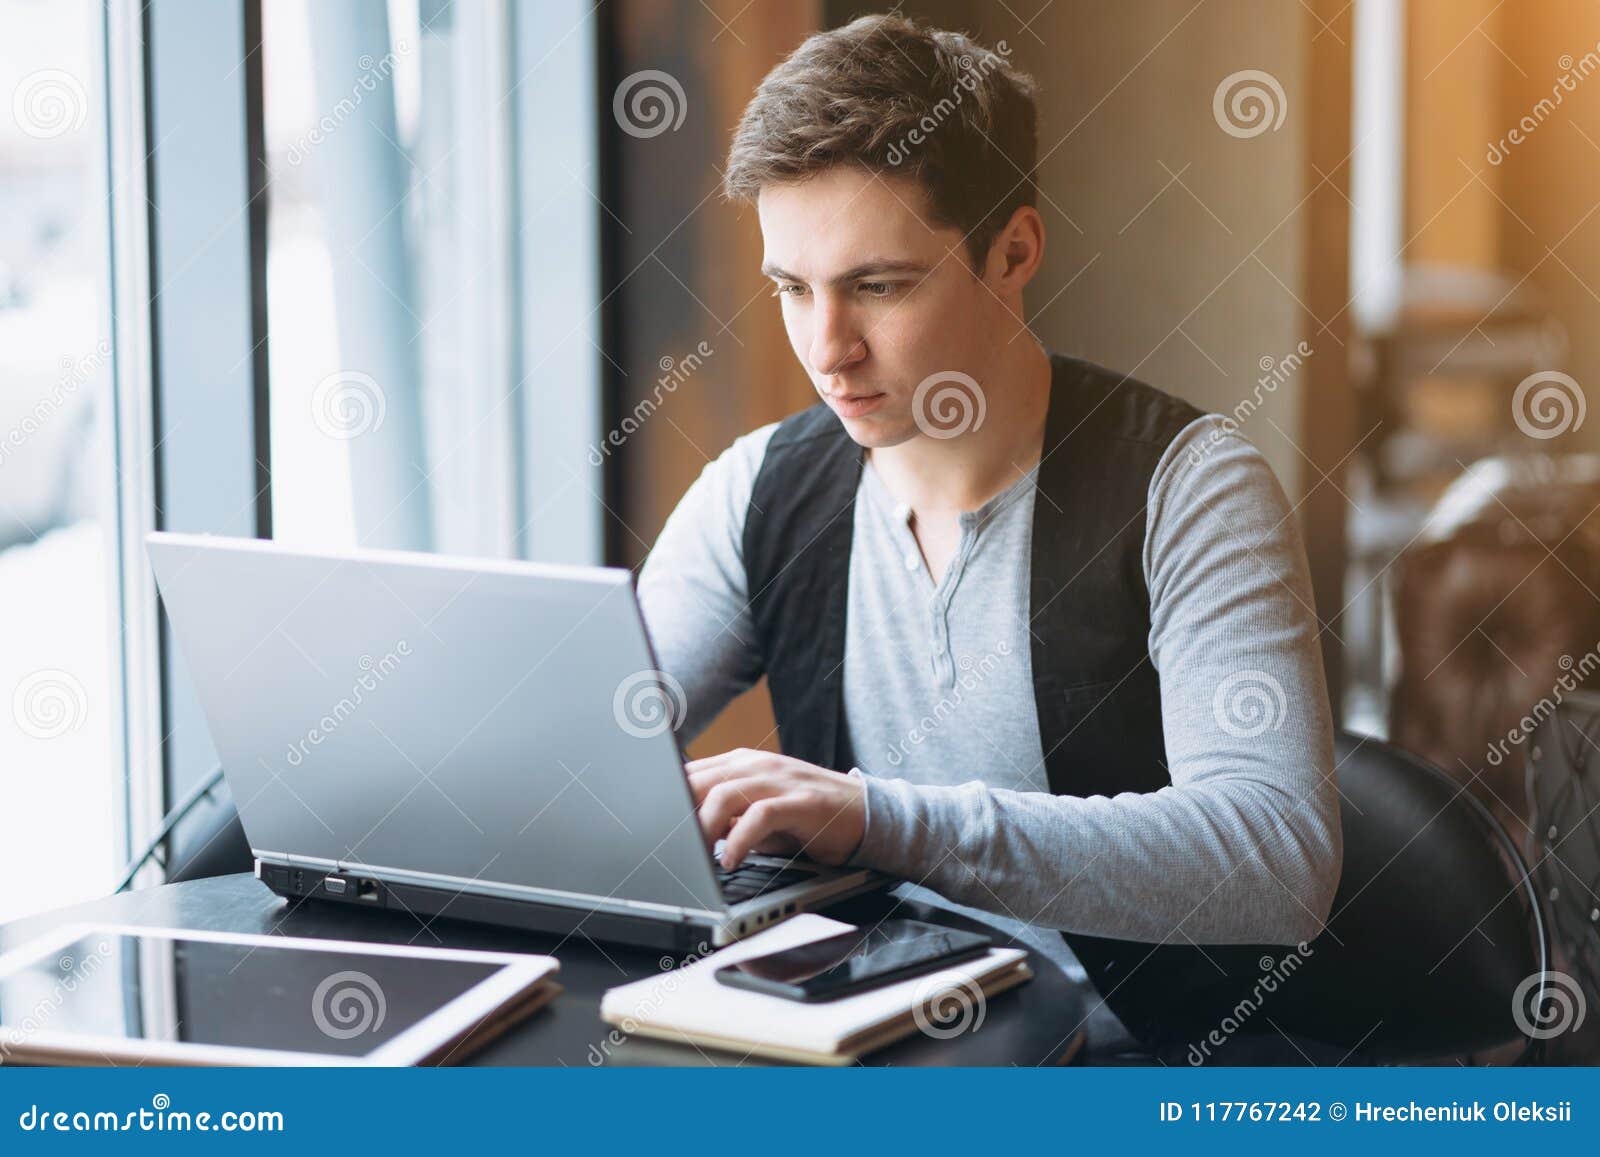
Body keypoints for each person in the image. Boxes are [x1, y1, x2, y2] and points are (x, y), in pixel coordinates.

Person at [636, 13, 1341, 1045]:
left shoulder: (1188, 490)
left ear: (1013, 251)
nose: (827, 348)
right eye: (792, 289)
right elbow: (584, 749)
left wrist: (883, 820)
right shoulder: (757, 490)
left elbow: (1277, 857)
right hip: (857, 1044)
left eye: (877, 286)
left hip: (1126, 1062)